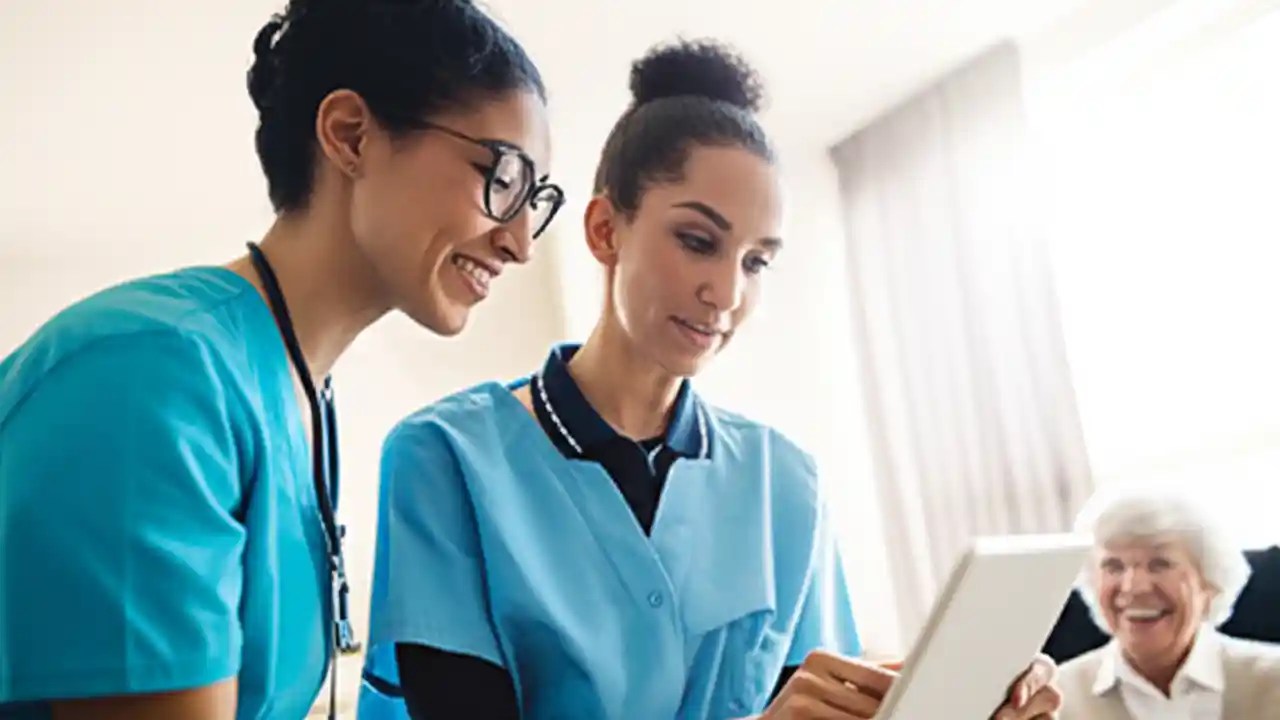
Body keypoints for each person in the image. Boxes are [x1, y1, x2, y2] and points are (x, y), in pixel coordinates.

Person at [357, 39, 1061, 720]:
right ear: (605, 229)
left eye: (756, 262)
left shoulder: (784, 482)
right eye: (699, 242)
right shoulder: (444, 458)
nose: (726, 293)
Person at [0, 1, 562, 718]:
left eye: (534, 200)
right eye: (504, 178)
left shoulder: (300, 398)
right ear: (350, 135)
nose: (520, 242)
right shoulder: (152, 375)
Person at [1057, 488, 1280, 720]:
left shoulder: (1274, 679)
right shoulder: (1057, 698)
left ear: (1209, 581)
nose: (1134, 586)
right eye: (1114, 566)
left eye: (1159, 564)